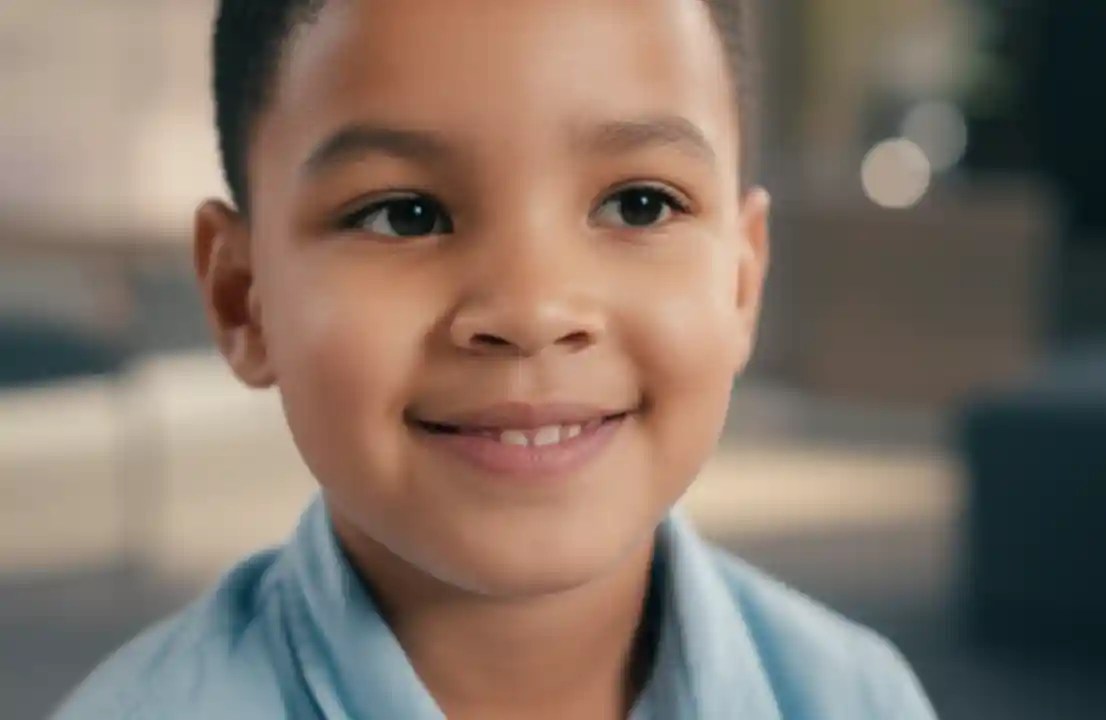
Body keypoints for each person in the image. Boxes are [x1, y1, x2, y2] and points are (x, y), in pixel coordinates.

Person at [55, 1, 936, 717]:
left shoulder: (858, 698)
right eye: (404, 214)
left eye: (638, 204)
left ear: (741, 282)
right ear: (242, 300)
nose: (531, 311)